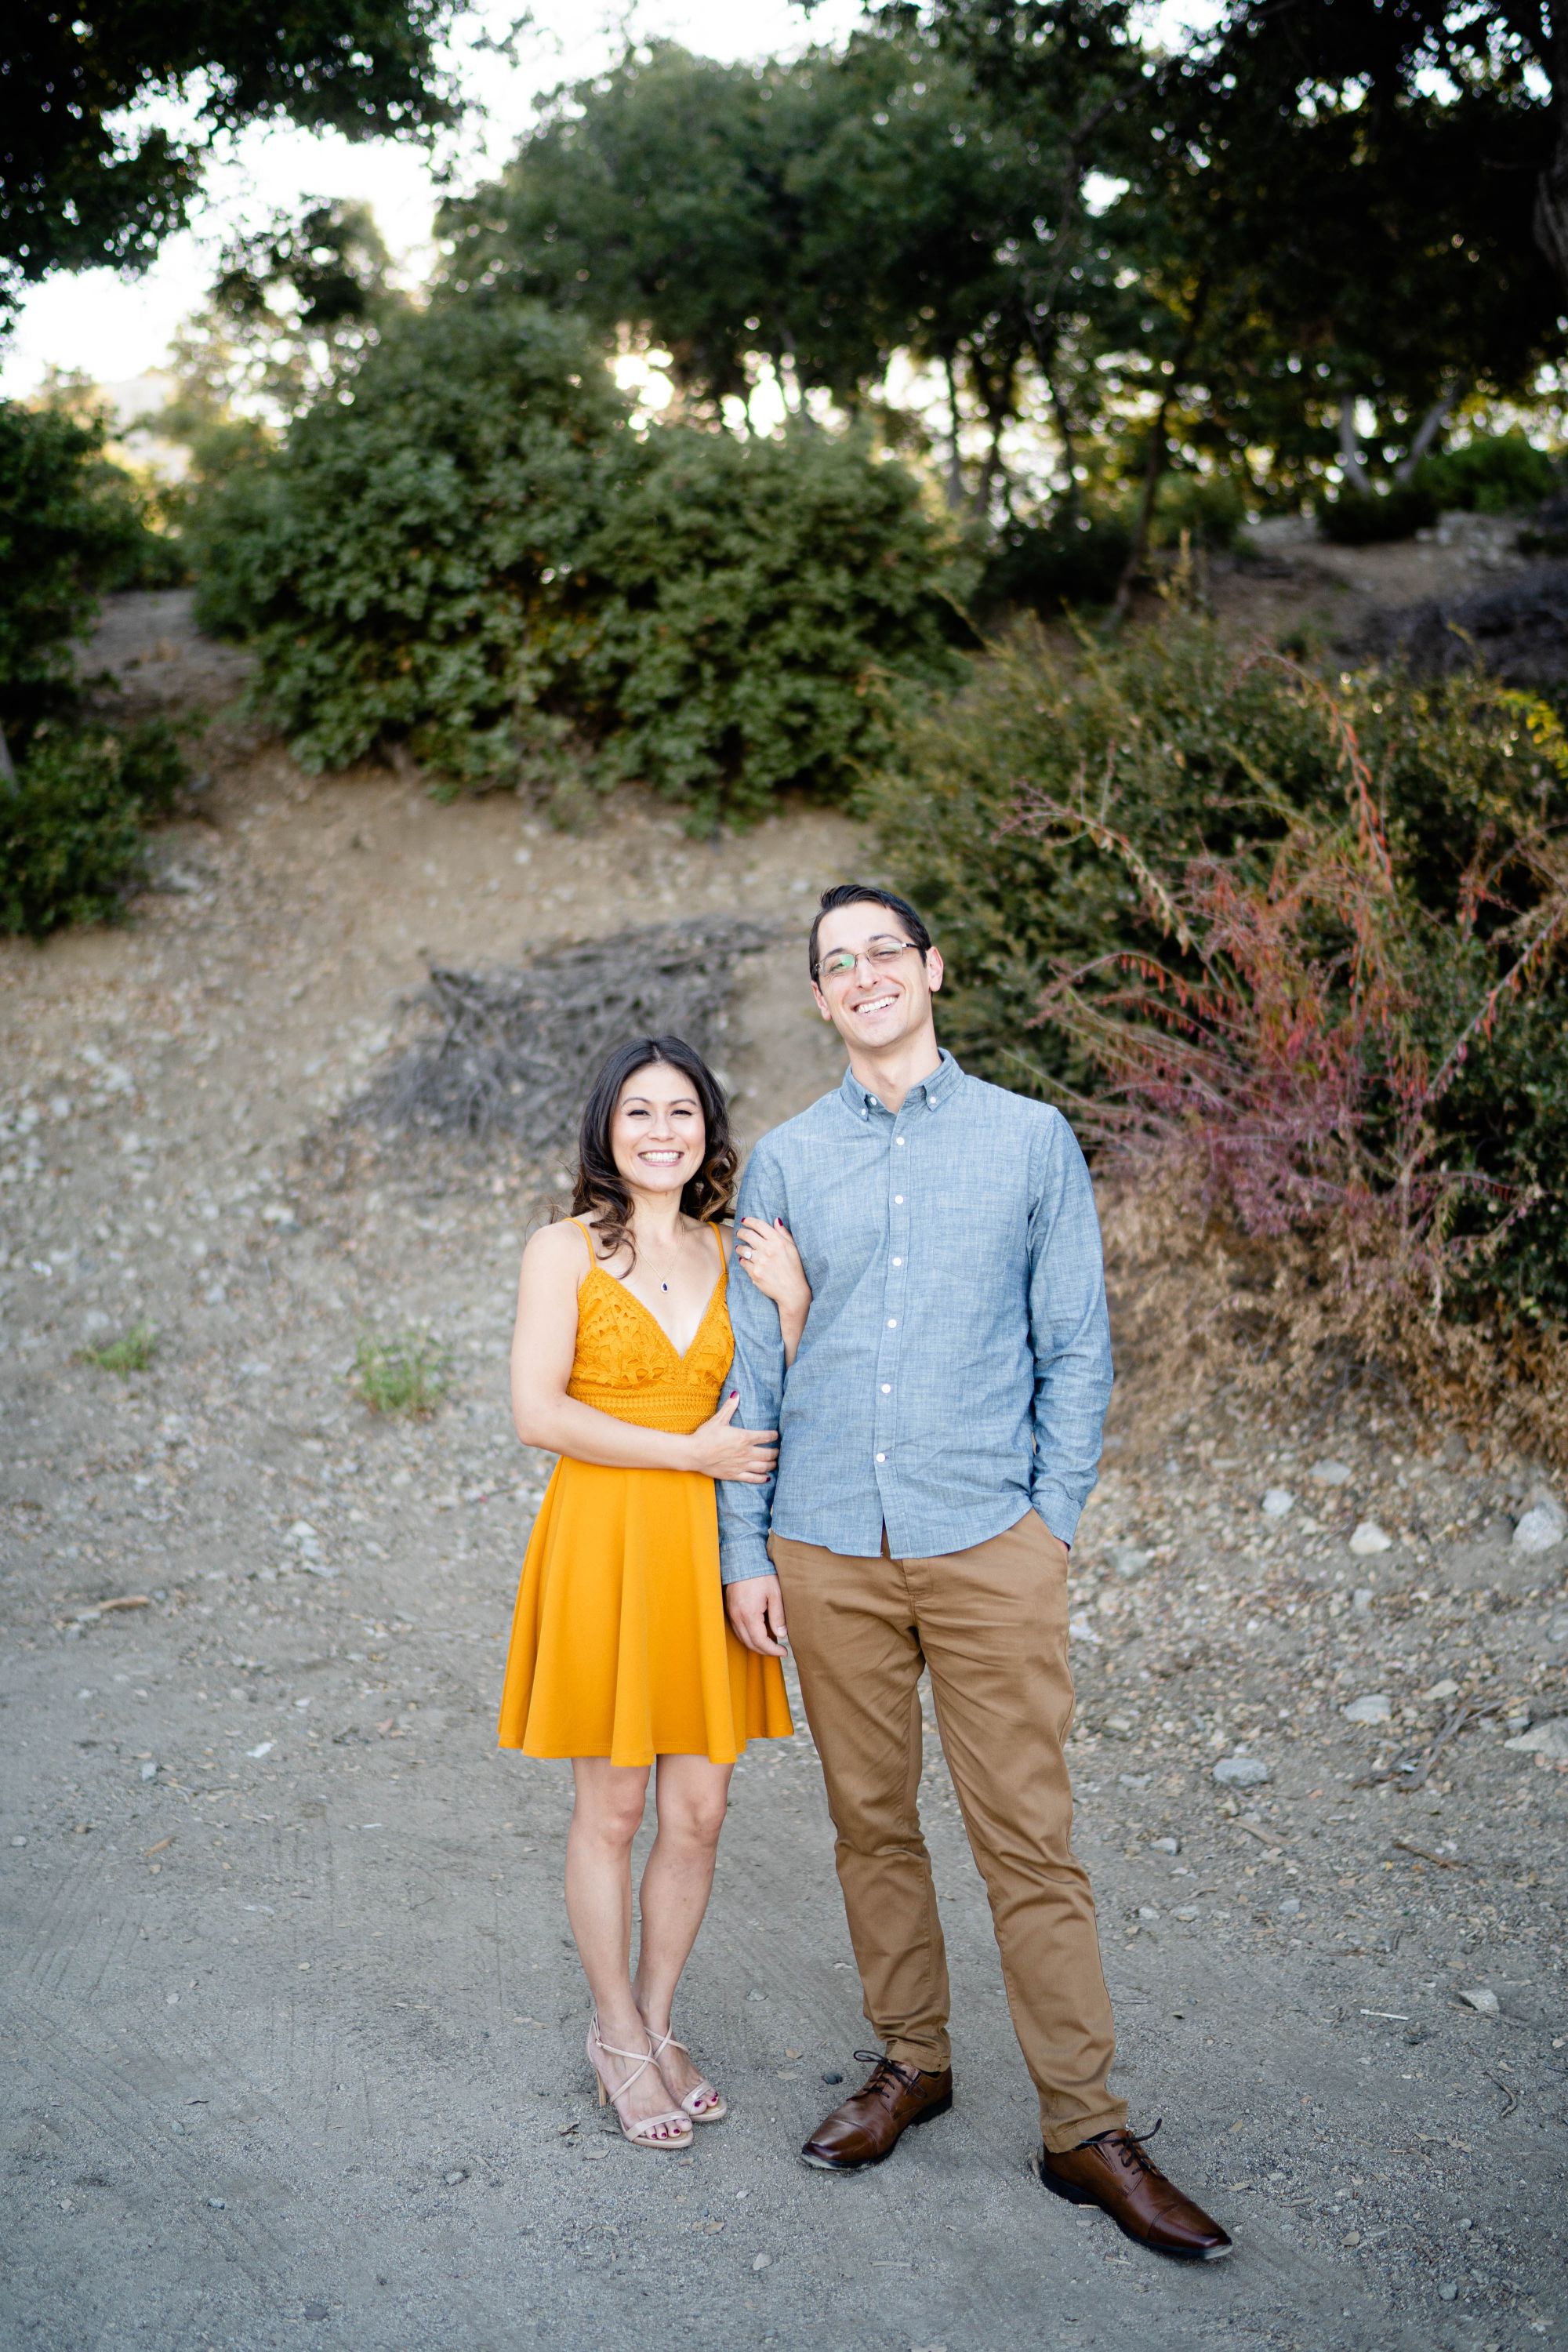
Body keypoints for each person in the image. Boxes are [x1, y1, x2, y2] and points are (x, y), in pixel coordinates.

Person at [720, 884, 1232, 2259]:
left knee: (1029, 1842)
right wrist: (741, 1550)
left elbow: (1077, 1349)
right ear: (821, 1000)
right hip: (825, 1546)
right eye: (839, 963)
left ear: (934, 968)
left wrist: (1048, 1520)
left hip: (988, 1543)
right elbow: (753, 1372)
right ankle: (913, 2062)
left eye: (886, 949)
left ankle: (1085, 2128)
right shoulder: (783, 1164)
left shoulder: (1028, 1140)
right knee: (871, 1824)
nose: (866, 974)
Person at [500, 1035, 804, 2151]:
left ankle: (662, 2021)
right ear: (606, 1131)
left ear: (709, 1134)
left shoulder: (740, 1252)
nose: (662, 1131)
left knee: (700, 1810)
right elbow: (540, 1414)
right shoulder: (563, 1250)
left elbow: (783, 1399)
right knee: (615, 1809)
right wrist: (688, 1456)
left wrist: (798, 1303)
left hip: (715, 1551)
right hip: (607, 1540)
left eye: (683, 1112)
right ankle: (615, 2032)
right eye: (639, 1113)